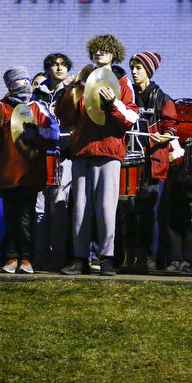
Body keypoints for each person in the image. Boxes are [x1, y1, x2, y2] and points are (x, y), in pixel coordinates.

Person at [59, 34, 139, 276]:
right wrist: (70, 91)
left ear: (114, 54)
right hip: (83, 150)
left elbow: (130, 118)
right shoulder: (84, 80)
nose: (99, 53)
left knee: (106, 208)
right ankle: (80, 258)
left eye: (104, 50)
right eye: (96, 49)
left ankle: (106, 258)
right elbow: (66, 117)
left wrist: (113, 102)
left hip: (108, 151)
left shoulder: (122, 82)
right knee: (80, 209)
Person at [0, 67, 60, 273]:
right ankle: (11, 257)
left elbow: (54, 135)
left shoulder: (38, 107)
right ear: (10, 85)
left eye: (28, 80)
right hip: (6, 173)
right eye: (20, 80)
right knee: (9, 218)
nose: (26, 83)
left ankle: (27, 258)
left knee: (27, 217)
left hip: (30, 173)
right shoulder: (0, 108)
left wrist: (37, 133)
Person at [121, 51, 177, 274]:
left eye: (139, 68)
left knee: (149, 214)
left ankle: (148, 259)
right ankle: (128, 258)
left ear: (149, 71)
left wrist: (165, 136)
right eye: (132, 68)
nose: (134, 72)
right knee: (127, 212)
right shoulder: (127, 96)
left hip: (152, 164)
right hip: (128, 163)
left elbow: (171, 128)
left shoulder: (163, 99)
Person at [33, 52, 75, 271]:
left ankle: (58, 256)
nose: (60, 68)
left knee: (59, 208)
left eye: (63, 65)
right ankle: (40, 255)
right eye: (55, 65)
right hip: (41, 156)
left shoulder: (72, 92)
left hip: (64, 156)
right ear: (47, 69)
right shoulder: (36, 94)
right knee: (40, 208)